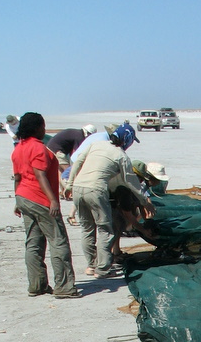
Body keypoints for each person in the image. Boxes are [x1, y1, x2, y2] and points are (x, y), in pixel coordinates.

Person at [66, 124, 155, 278]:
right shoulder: (120, 155)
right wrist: (144, 200)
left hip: (78, 188)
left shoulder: (96, 144)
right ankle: (102, 269)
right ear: (127, 140)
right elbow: (131, 181)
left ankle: (91, 266)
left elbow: (78, 162)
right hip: (96, 190)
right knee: (105, 230)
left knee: (87, 229)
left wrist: (70, 184)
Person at [11, 112, 80, 297]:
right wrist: (52, 200)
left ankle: (37, 285)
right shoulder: (38, 148)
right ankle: (64, 287)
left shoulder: (18, 149)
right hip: (39, 198)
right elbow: (40, 175)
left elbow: (18, 177)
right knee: (58, 241)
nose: (44, 129)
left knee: (33, 243)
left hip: (24, 197)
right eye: (43, 126)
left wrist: (18, 200)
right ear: (36, 128)